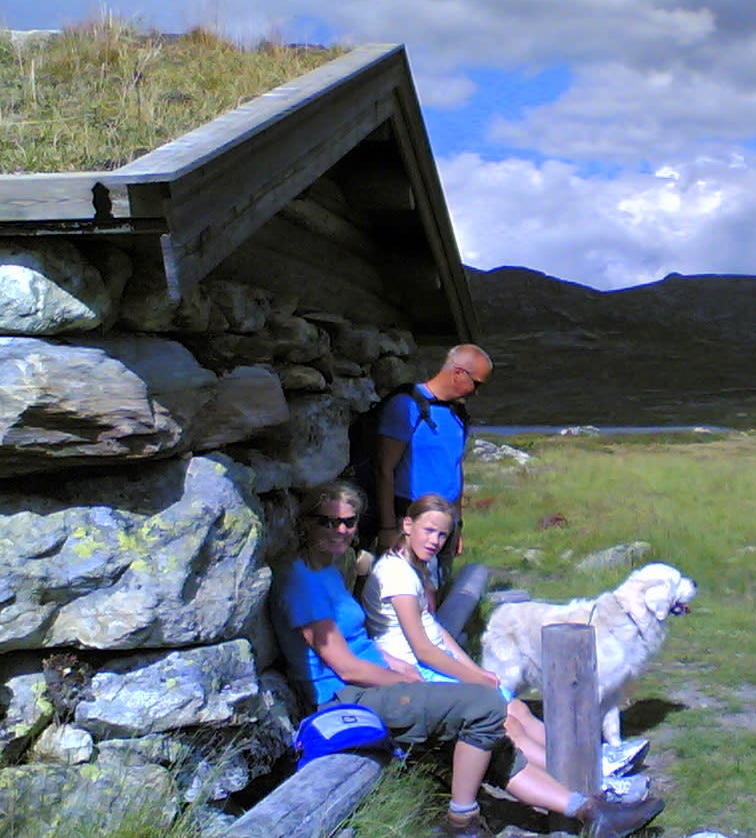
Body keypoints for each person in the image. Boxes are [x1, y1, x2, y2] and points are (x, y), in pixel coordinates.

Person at [271, 481, 663, 838]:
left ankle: (590, 811)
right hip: (345, 697)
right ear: (306, 523)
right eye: (329, 522)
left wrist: (395, 662)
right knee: (483, 705)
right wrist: (409, 681)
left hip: (375, 682)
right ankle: (461, 819)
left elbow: (363, 642)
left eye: (349, 523)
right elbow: (345, 666)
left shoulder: (326, 571)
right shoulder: (300, 581)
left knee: (492, 738)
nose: (341, 531)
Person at [361, 494, 549, 768]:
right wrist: (475, 678)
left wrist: (473, 669)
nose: (434, 541)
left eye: (442, 535)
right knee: (508, 720)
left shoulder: (413, 566)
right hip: (415, 669)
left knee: (517, 708)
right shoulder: (396, 575)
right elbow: (423, 649)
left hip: (433, 661)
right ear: (407, 525)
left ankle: (587, 764)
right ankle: (578, 776)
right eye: (428, 531)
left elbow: (436, 629)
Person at [373, 344, 492, 600]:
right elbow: (384, 468)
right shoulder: (406, 406)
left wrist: (457, 524)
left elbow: (454, 468)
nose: (477, 393)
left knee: (435, 592)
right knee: (409, 595)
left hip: (445, 520)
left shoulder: (457, 413)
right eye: (477, 384)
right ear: (459, 373)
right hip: (410, 517)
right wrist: (386, 527)